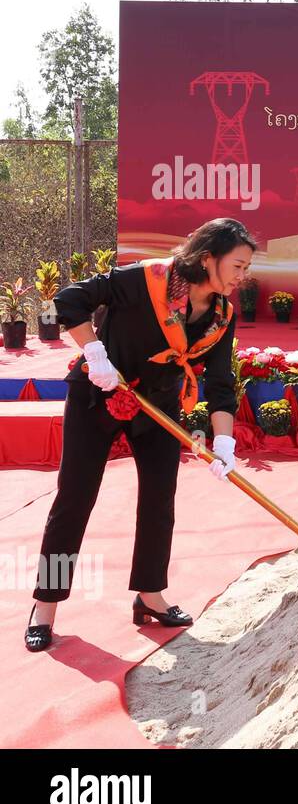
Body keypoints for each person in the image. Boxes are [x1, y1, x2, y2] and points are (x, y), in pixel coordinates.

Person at [25, 218, 254, 653]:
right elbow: (70, 300)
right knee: (74, 500)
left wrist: (224, 444)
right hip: (100, 390)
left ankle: (150, 595)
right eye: (238, 265)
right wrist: (96, 354)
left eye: (246, 268)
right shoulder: (147, 279)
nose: (243, 276)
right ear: (208, 259)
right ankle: (46, 604)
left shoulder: (222, 315)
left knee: (158, 498)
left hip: (160, 405)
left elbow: (222, 384)